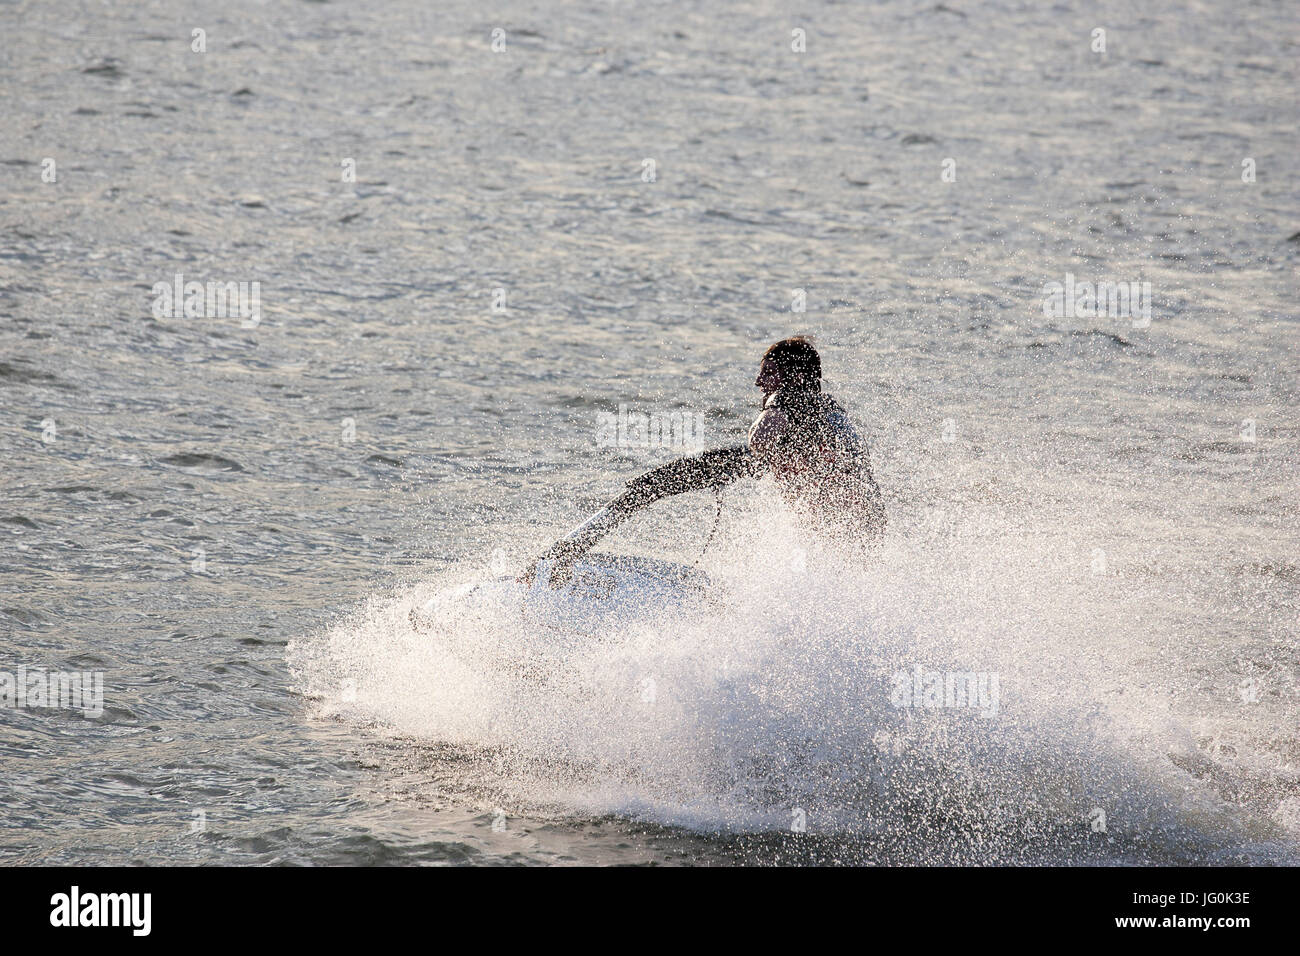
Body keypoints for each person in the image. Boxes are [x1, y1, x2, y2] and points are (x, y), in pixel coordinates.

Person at [526, 337, 885, 585]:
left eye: (768, 372)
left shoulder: (796, 401)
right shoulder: (828, 416)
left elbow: (762, 437)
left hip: (845, 550)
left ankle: (561, 555)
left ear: (792, 378)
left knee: (657, 484)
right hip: (853, 558)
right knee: (663, 482)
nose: (759, 381)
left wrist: (766, 426)